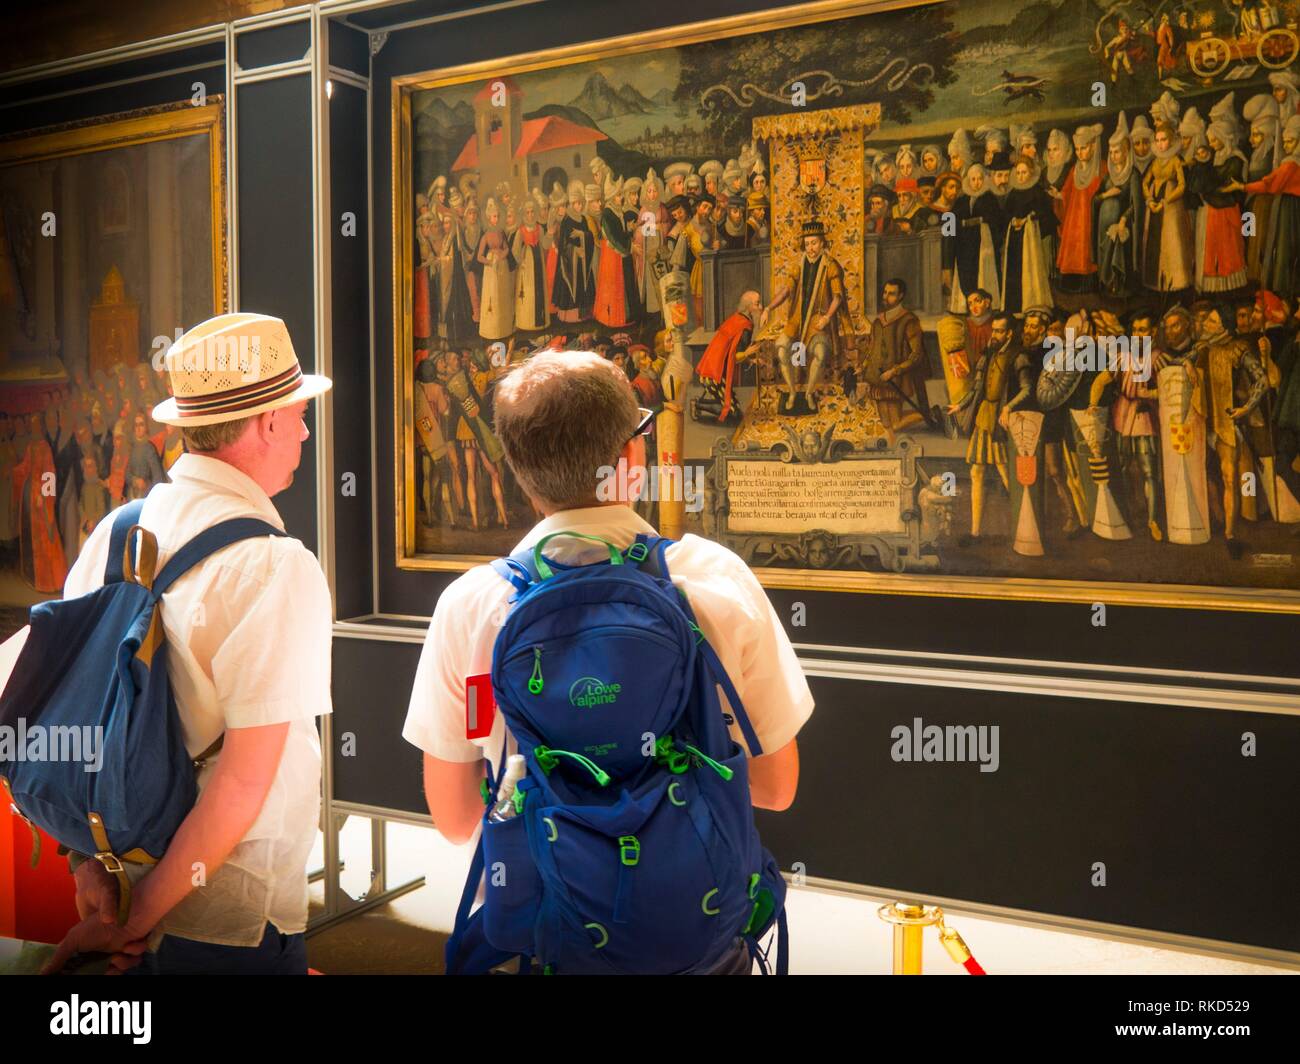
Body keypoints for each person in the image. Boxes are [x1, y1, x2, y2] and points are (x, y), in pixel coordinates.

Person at [403, 350, 810, 976]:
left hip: (547, 935)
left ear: (517, 467)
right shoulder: (715, 581)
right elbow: (779, 788)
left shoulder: (472, 605)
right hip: (695, 938)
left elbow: (458, 820)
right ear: (633, 459)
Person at [43, 312, 333, 976]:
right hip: (226, 921)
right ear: (263, 424)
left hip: (116, 887)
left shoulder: (116, 531)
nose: (304, 430)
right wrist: (137, 924)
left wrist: (89, 867)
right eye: (296, 414)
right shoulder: (276, 566)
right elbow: (242, 783)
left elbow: (69, 715)